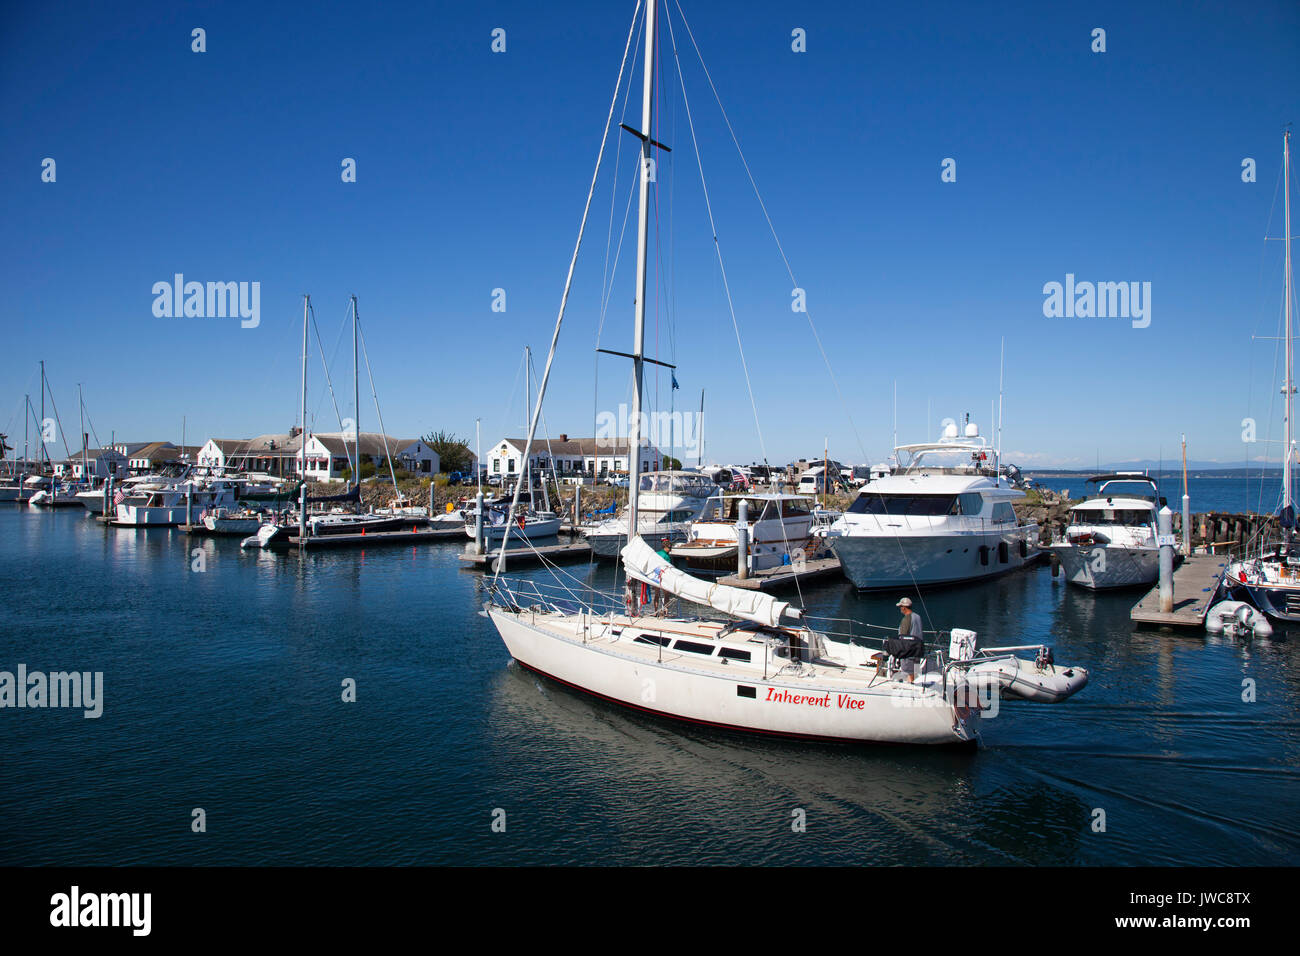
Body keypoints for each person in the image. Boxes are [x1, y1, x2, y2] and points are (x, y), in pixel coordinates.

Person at [873, 597, 925, 681]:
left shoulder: (906, 619)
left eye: (900, 607)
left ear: (904, 607)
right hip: (918, 650)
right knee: (916, 672)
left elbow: (902, 638)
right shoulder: (917, 617)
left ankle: (910, 689)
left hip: (909, 652)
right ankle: (916, 686)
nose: (900, 609)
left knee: (908, 673)